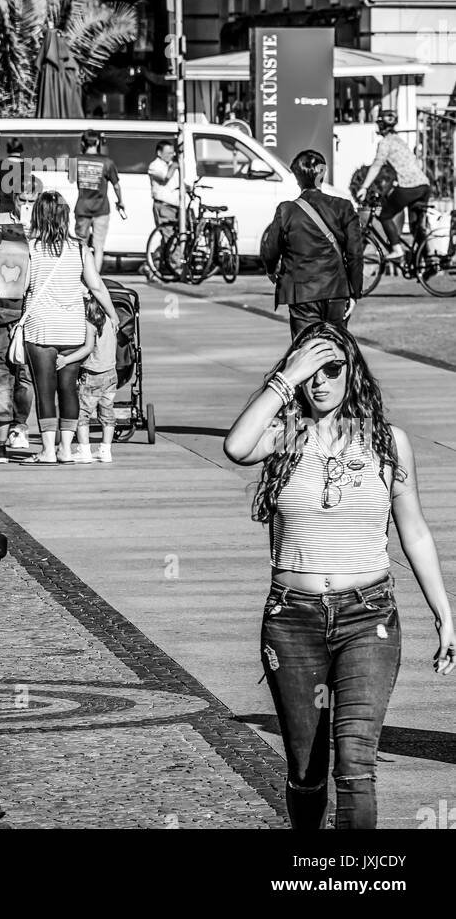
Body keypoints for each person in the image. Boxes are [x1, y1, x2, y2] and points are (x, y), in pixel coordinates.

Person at [224, 324, 455, 831]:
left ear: (354, 374)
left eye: (333, 369)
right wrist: (288, 378)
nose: (322, 381)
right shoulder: (282, 436)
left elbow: (413, 529)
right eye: (313, 370)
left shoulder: (388, 443)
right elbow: (237, 447)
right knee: (308, 773)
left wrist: (445, 616)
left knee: (356, 768)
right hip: (293, 621)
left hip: (366, 619)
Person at [22, 190, 119, 464]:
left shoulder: (30, 248)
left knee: (44, 390)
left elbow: (25, 285)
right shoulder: (79, 248)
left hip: (40, 327)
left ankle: (47, 450)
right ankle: (66, 448)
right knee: (68, 388)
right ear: (65, 216)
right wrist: (113, 315)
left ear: (38, 215)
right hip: (72, 328)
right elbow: (96, 285)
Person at [260, 149, 364, 341]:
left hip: (301, 293)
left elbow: (270, 249)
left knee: (306, 352)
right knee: (337, 349)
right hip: (336, 290)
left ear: (298, 179)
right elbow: (355, 254)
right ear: (322, 174)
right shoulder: (344, 207)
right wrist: (354, 292)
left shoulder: (287, 210)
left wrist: (271, 270)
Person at [0, 176, 40, 460]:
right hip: (0, 306)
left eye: (33, 202)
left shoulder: (43, 226)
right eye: (23, 200)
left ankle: (19, 425)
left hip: (28, 308)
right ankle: (0, 427)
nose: (27, 206)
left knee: (26, 375)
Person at [357, 109, 431, 260]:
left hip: (409, 186)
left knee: (384, 214)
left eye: (378, 124)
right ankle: (426, 261)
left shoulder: (385, 143)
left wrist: (364, 187)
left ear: (382, 126)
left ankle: (397, 250)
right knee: (416, 227)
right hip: (424, 185)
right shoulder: (399, 140)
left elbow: (377, 165)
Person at [66, 294, 117, 464]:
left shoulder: (90, 325)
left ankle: (84, 450)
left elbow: (88, 348)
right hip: (111, 373)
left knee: (82, 414)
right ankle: (105, 450)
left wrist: (65, 359)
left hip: (93, 375)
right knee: (107, 413)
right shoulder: (111, 320)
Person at [73, 129, 126, 273]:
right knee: (98, 246)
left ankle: (80, 273)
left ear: (83, 142)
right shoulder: (107, 162)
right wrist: (120, 202)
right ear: (97, 142)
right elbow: (116, 185)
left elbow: (71, 178)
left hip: (82, 208)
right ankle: (95, 276)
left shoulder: (75, 160)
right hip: (102, 209)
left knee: (80, 244)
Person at [147, 138, 180, 229]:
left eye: (172, 153)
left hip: (175, 206)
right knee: (168, 235)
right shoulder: (154, 166)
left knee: (174, 237)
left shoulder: (170, 164)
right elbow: (165, 178)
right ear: (159, 153)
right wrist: (173, 167)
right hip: (164, 206)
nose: (172, 155)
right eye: (168, 153)